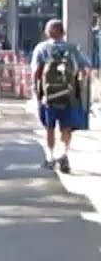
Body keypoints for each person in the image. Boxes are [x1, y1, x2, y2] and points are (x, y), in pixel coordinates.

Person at [30, 19, 89, 173]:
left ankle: (50, 157)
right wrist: (79, 86)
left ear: (48, 32)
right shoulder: (72, 49)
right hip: (69, 96)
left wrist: (36, 92)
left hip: (47, 98)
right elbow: (85, 69)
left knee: (49, 127)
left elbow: (36, 72)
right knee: (66, 128)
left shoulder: (42, 49)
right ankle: (63, 155)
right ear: (63, 32)